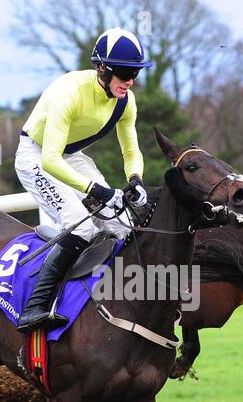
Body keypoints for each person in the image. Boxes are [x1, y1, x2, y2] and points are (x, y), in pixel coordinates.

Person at [13, 27, 151, 331]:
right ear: (102, 68)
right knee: (82, 224)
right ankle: (35, 306)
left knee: (120, 225)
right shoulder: (70, 91)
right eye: (124, 72)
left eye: (135, 74)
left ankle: (115, 301)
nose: (129, 81)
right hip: (36, 156)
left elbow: (131, 150)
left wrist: (136, 179)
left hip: (71, 156)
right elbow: (50, 159)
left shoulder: (125, 101)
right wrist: (98, 191)